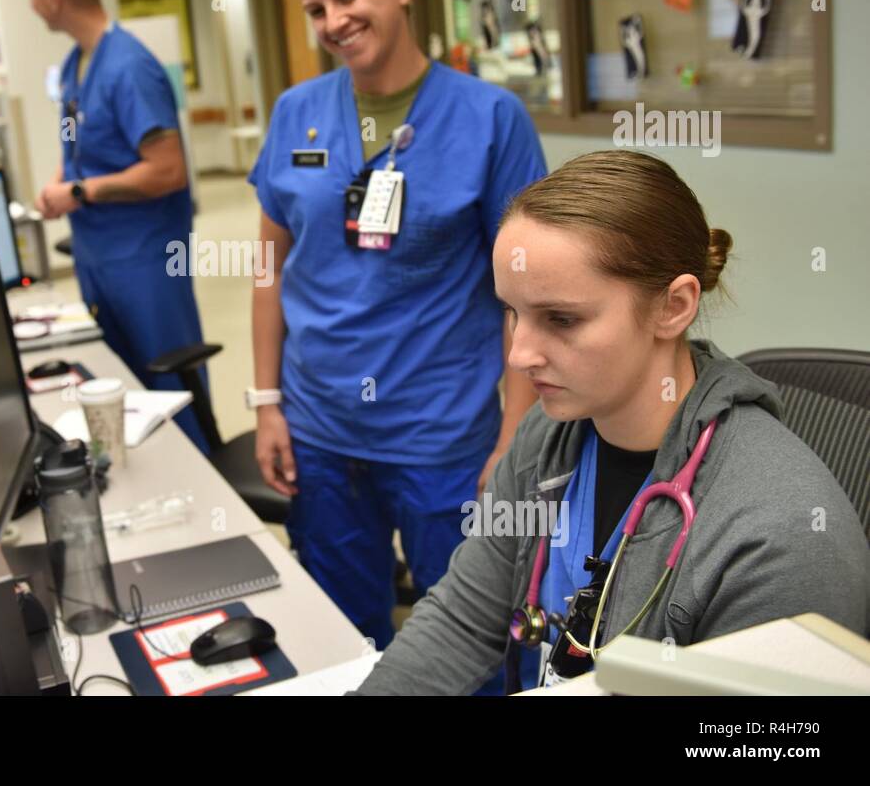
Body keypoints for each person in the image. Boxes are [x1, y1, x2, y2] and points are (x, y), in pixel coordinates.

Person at [355, 150, 870, 694]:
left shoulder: (779, 538)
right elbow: (462, 621)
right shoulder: (549, 436)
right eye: (512, 312)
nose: (519, 356)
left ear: (673, 307)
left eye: (561, 319)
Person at [247, 0, 547, 650]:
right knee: (342, 635)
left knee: (470, 641)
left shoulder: (491, 119)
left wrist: (514, 436)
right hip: (321, 427)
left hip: (443, 432)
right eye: (316, 9)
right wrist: (265, 403)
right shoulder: (297, 114)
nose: (334, 21)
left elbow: (527, 295)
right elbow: (268, 266)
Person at [23, 0, 209, 452]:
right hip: (98, 254)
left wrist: (80, 192)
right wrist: (63, 184)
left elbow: (168, 171)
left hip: (146, 258)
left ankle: (205, 494)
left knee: (166, 388)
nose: (32, 6)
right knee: (117, 387)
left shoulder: (129, 67)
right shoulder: (72, 66)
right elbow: (78, 145)